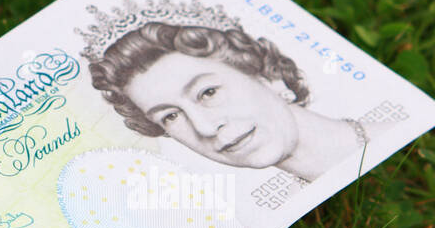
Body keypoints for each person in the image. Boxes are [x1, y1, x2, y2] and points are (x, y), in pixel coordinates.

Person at [86, 19, 392, 183]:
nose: (204, 128)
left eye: (208, 92)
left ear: (259, 71)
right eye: (170, 117)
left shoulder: (395, 139)